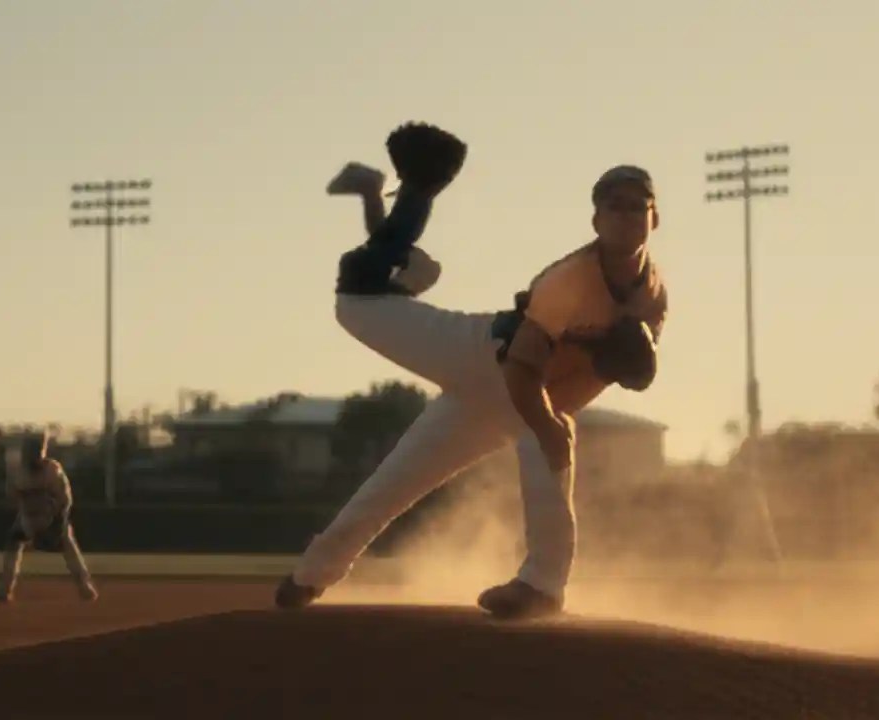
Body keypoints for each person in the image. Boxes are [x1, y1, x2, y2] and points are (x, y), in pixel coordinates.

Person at [276, 122, 667, 619]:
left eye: (638, 205)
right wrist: (547, 422)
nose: (627, 214)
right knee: (355, 304)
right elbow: (523, 371)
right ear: (596, 219)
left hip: (528, 395)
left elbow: (620, 366)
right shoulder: (567, 281)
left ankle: (542, 586)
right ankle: (313, 573)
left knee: (523, 451)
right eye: (615, 204)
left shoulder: (654, 294)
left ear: (656, 219)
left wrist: (556, 418)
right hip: (482, 356)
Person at [0, 432, 98, 603]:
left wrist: (58, 522)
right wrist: (27, 508)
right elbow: (12, 497)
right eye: (30, 449)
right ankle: (5, 591)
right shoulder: (18, 471)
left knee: (67, 541)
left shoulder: (52, 470)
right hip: (27, 517)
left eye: (36, 449)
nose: (32, 454)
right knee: (13, 542)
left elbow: (65, 500)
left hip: (50, 516)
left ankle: (85, 587)